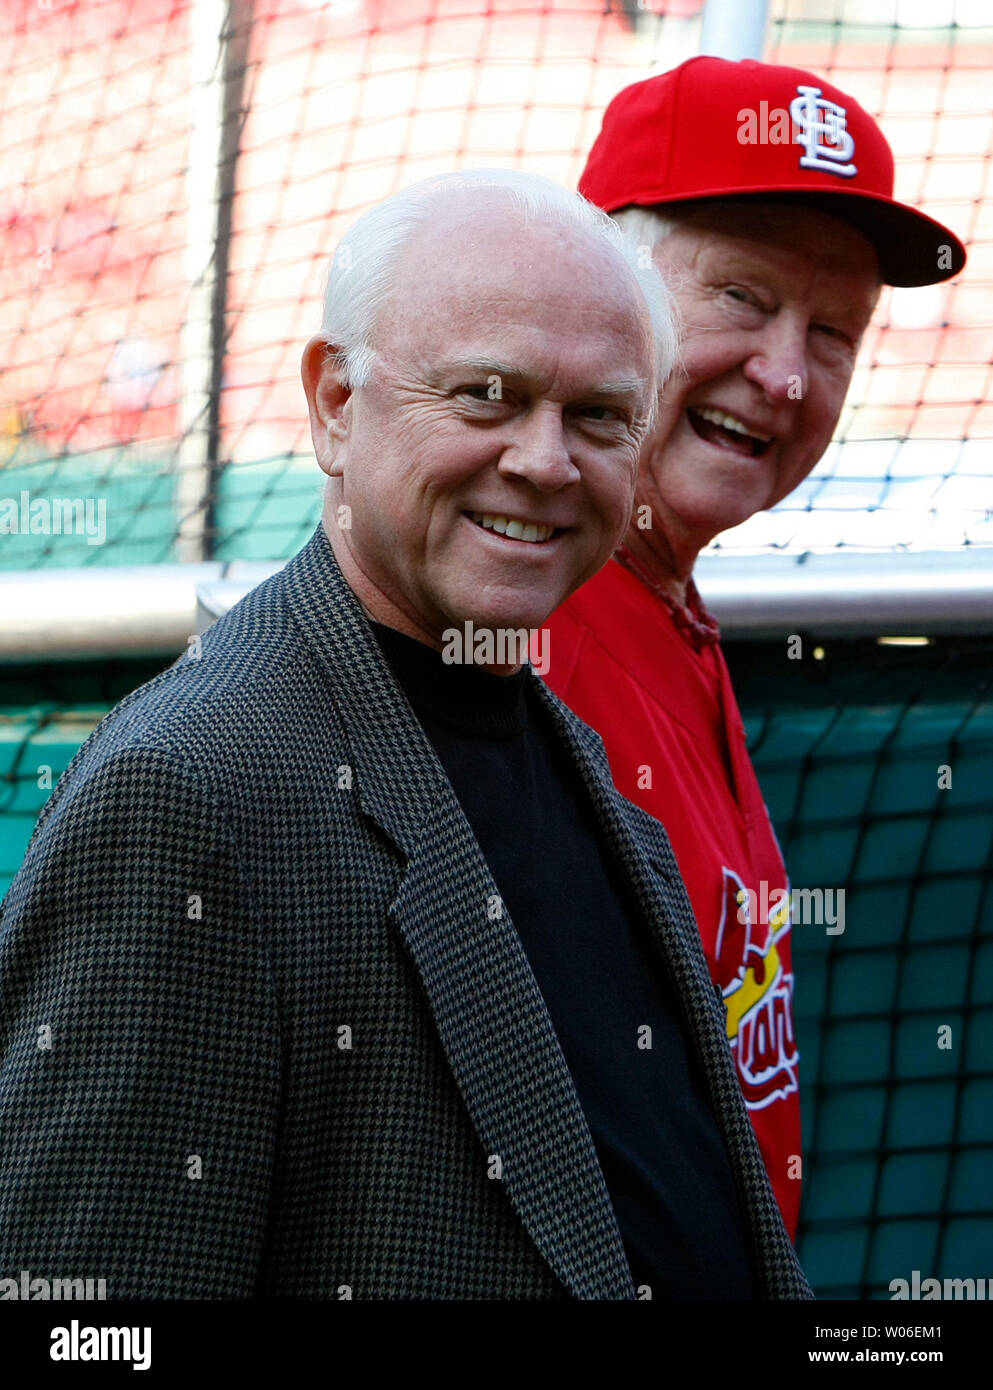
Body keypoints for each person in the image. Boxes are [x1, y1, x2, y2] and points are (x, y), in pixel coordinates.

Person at [0, 169, 812, 1300]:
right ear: (336, 402)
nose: (544, 460)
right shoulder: (185, 792)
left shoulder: (567, 753)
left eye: (597, 417)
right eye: (486, 394)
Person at [543, 56, 967, 1242]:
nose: (786, 374)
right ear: (592, 283)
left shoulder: (661, 592)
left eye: (833, 331)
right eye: (740, 295)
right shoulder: (516, 631)